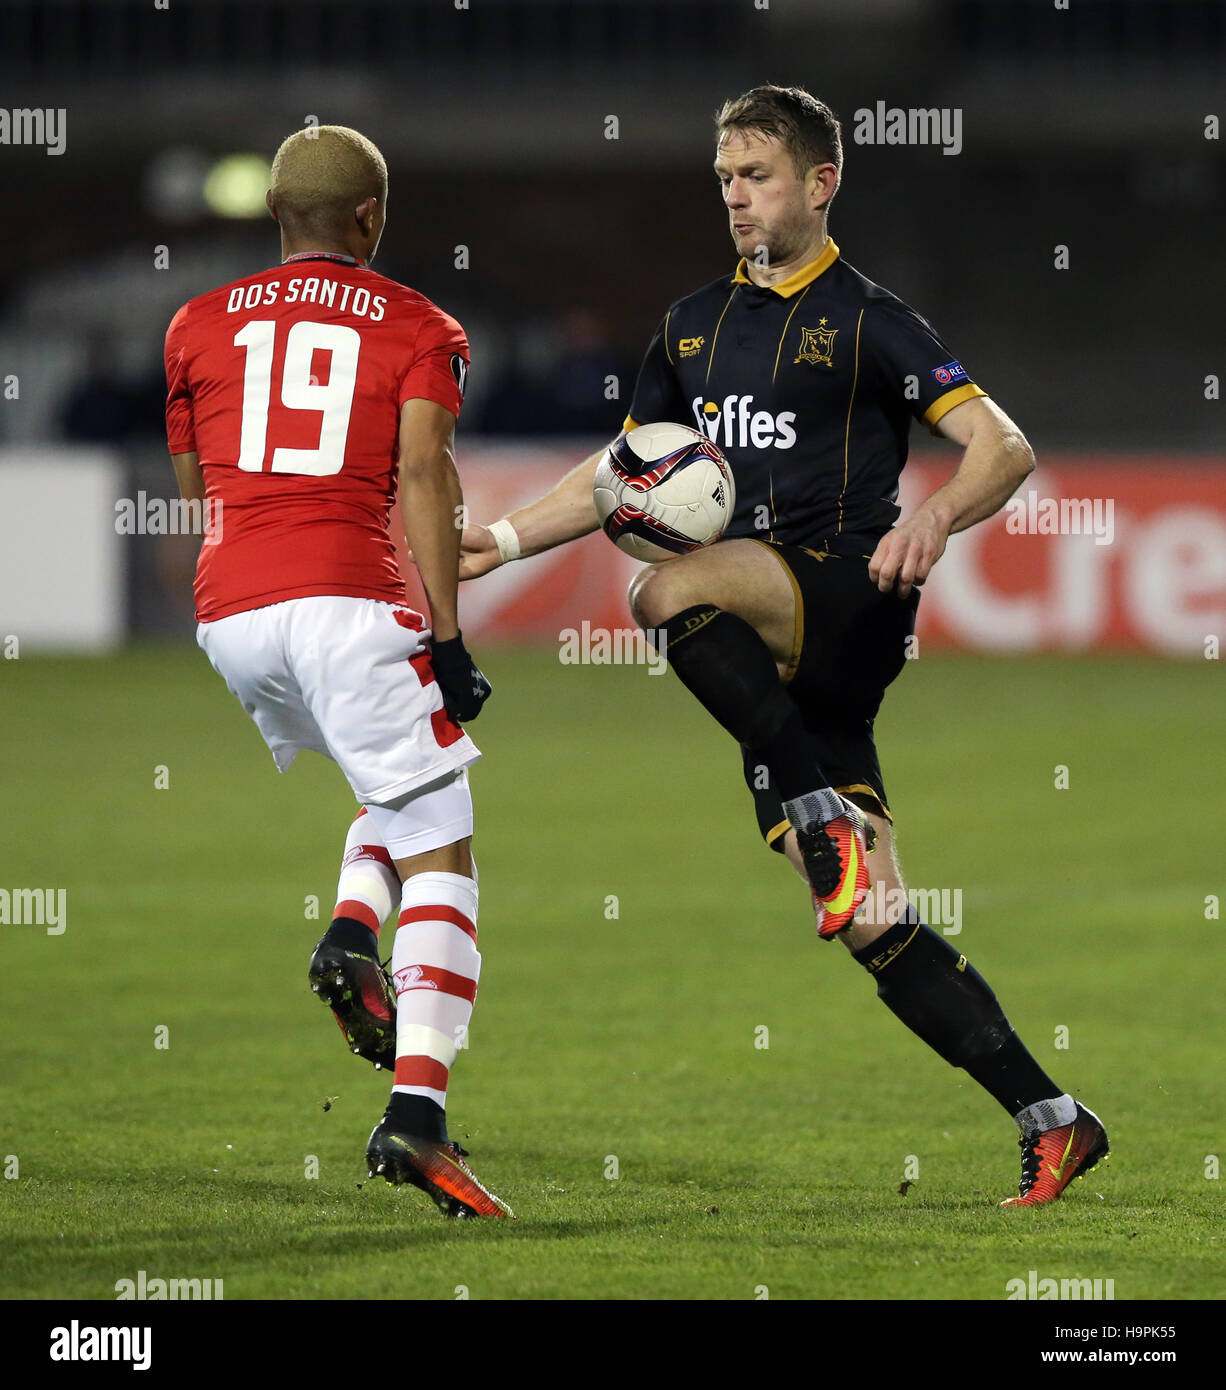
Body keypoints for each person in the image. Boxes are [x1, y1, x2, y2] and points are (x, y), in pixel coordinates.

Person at [457, 86, 1107, 1207]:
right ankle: (1051, 1114)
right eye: (723, 180)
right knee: (871, 920)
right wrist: (507, 538)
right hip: (768, 650)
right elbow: (619, 472)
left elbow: (1001, 445)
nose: (735, 197)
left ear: (820, 183)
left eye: (755, 176)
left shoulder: (868, 319)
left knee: (662, 591)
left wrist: (934, 514)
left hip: (847, 598)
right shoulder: (690, 324)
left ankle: (814, 812)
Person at [163, 124, 510, 1219]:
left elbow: (195, 493)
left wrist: (228, 605)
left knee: (389, 780)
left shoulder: (193, 323)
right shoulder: (418, 322)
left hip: (231, 613)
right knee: (442, 837)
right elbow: (422, 474)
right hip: (344, 602)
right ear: (371, 218)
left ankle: (353, 931)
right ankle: (417, 1118)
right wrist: (445, 637)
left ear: (275, 214)